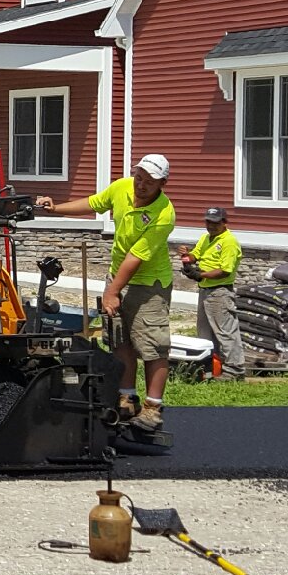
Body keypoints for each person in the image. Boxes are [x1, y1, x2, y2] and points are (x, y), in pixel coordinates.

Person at [40, 154, 177, 433]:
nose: (141, 184)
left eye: (149, 182)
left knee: (152, 345)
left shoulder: (164, 214)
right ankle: (127, 397)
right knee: (119, 339)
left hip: (149, 284)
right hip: (118, 276)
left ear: (163, 183)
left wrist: (113, 291)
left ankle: (153, 407)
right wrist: (56, 208)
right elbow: (93, 202)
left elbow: (135, 258)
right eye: (139, 177)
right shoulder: (121, 187)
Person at [180, 206, 245, 379]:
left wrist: (199, 275)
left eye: (215, 222)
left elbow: (225, 270)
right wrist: (188, 257)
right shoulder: (206, 238)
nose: (211, 225)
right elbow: (196, 255)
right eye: (208, 221)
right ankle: (210, 367)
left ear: (224, 222)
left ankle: (235, 371)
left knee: (225, 332)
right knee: (205, 332)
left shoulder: (229, 241)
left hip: (220, 292)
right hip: (205, 291)